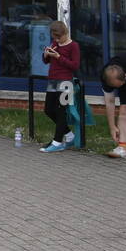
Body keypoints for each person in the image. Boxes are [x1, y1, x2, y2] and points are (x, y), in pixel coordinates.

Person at [38, 20, 80, 153]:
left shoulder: (73, 46)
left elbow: (74, 65)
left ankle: (57, 142)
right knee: (48, 109)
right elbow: (47, 61)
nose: (57, 40)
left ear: (65, 33)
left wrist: (58, 56)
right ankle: (69, 135)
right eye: (54, 38)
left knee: (61, 110)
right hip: (53, 81)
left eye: (59, 37)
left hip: (66, 82)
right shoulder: (55, 43)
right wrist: (46, 55)